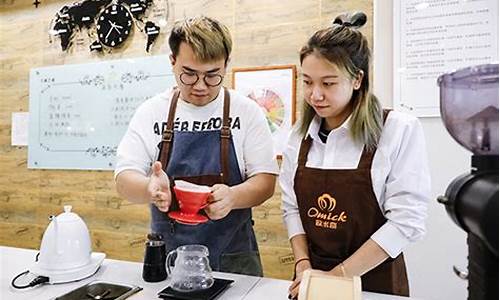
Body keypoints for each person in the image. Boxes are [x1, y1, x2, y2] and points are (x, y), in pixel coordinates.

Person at [280, 12, 430, 298]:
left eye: (328, 83)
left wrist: (338, 278)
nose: (315, 95)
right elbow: (292, 208)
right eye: (308, 82)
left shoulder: (397, 130)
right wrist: (302, 265)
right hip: (311, 278)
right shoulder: (298, 138)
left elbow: (406, 221)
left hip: (374, 280)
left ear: (357, 79)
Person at [114, 15, 278, 276]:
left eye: (213, 76)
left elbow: (265, 182)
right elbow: (123, 179)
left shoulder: (246, 112)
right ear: (172, 61)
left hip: (234, 255)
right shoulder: (152, 111)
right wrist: (149, 189)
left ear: (226, 64)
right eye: (189, 74)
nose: (201, 87)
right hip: (169, 257)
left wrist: (233, 197)